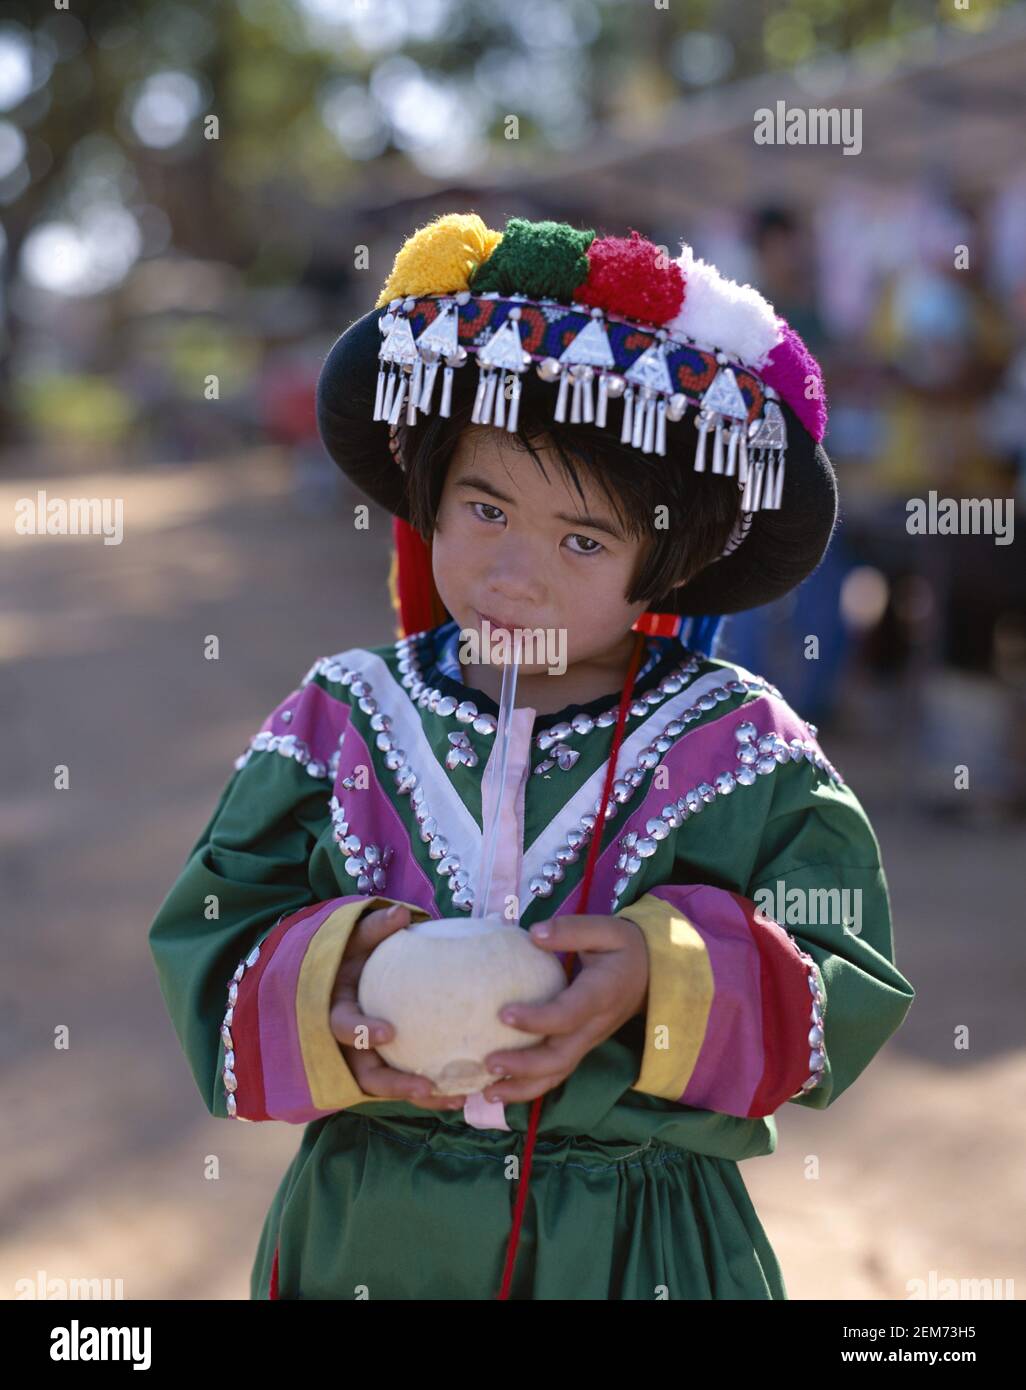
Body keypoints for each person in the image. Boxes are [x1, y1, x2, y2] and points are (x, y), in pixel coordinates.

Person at [148, 213, 915, 1300]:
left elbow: (849, 976)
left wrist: (666, 967)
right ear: (425, 491)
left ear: (671, 564)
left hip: (637, 1245)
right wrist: (337, 965)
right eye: (485, 506)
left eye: (584, 540)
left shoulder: (745, 753)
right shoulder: (338, 721)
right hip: (372, 1233)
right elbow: (211, 928)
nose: (516, 573)